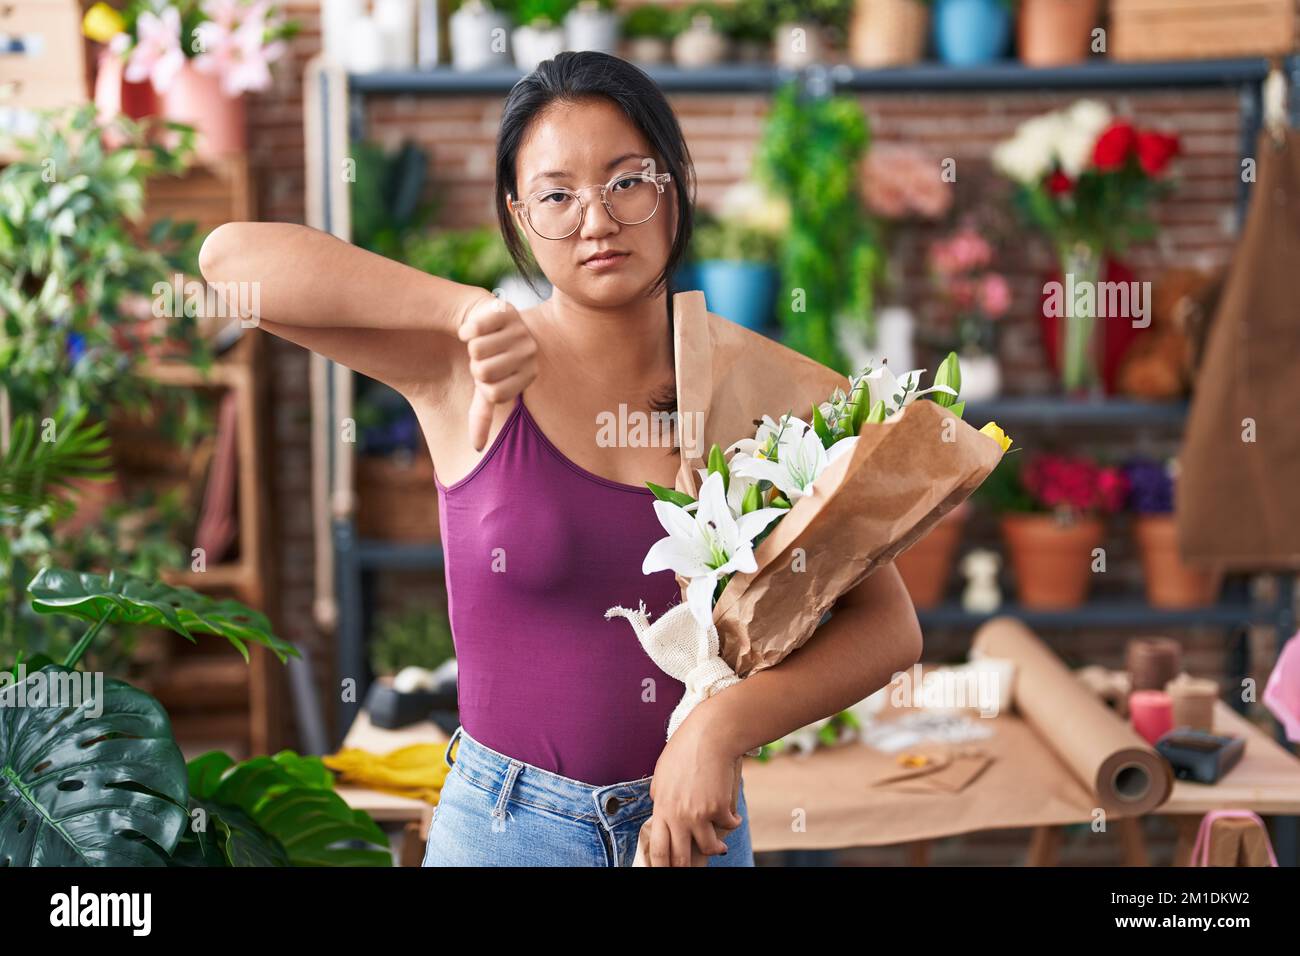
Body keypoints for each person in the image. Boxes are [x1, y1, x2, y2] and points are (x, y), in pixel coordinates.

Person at [199, 51, 923, 867]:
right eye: (557, 194)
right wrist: (465, 310)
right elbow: (229, 261)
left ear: (671, 186)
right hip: (504, 832)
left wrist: (719, 730)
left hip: (690, 831)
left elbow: (888, 628)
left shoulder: (753, 388)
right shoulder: (464, 365)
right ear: (517, 216)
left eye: (626, 181)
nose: (596, 220)